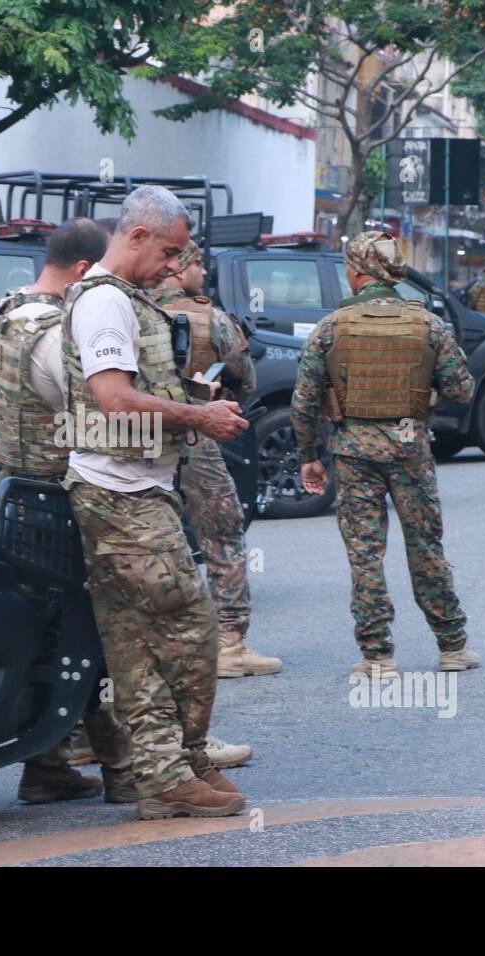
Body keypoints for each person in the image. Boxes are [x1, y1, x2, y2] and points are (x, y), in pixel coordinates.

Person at [62, 185, 250, 819]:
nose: (174, 265)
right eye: (168, 251)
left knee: (133, 645)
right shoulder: (105, 304)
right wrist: (198, 414)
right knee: (193, 630)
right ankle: (183, 759)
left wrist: (188, 397)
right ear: (136, 236)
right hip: (122, 494)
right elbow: (113, 397)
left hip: (126, 487)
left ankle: (164, 776)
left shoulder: (121, 299)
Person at [0, 218, 137, 805]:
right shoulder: (54, 333)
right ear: (80, 271)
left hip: (16, 496)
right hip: (61, 499)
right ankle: (125, 768)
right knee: (98, 633)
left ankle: (47, 766)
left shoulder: (3, 312)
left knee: (51, 636)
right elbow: (100, 413)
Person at [290, 231, 478, 678]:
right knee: (426, 546)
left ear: (356, 273)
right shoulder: (429, 324)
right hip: (411, 448)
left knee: (365, 553)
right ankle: (452, 647)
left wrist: (308, 456)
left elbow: (304, 401)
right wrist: (424, 397)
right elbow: (462, 390)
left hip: (353, 452)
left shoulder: (331, 327)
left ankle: (377, 657)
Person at [149, 240, 282, 680]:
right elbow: (245, 377)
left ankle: (153, 647)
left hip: (134, 438)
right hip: (194, 437)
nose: (203, 272)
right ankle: (229, 643)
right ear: (177, 269)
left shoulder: (128, 307)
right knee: (222, 533)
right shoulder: (209, 317)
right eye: (197, 264)